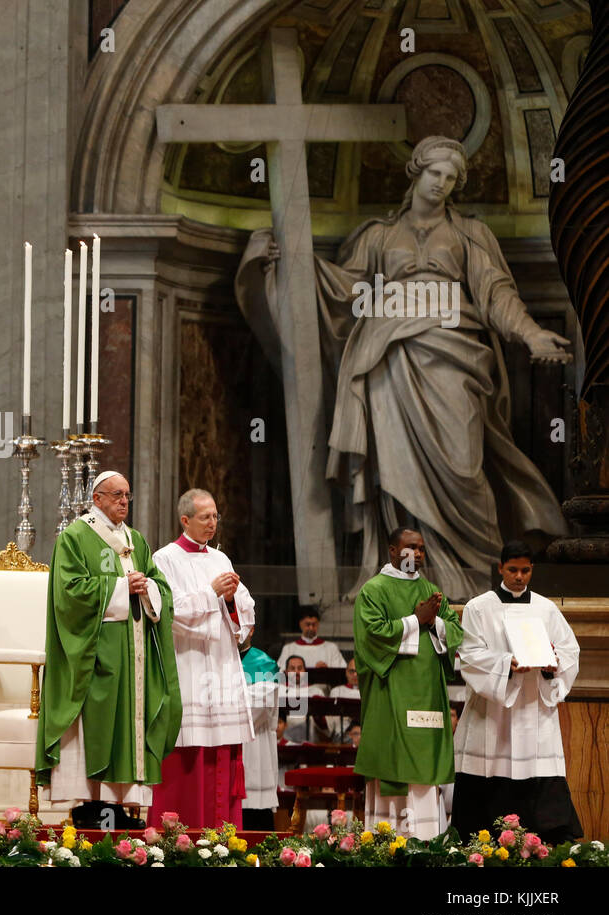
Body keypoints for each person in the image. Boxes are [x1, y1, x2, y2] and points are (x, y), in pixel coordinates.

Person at [239, 136, 571, 599]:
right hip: (387, 358)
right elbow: (345, 290)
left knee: (463, 465)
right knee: (392, 472)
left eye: (451, 177)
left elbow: (496, 294)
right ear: (416, 171)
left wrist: (531, 334)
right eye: (435, 172)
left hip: (453, 355)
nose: (442, 183)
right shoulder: (376, 236)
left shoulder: (469, 234)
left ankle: (476, 575)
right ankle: (401, 579)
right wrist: (292, 263)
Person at [37, 471, 179, 830]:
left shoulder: (136, 540)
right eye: (116, 495)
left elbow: (158, 583)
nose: (123, 502)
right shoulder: (75, 536)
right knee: (97, 724)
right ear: (97, 498)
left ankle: (120, 806)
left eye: (128, 496)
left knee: (127, 722)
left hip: (134, 654)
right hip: (96, 651)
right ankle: (92, 803)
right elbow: (68, 593)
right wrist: (118, 587)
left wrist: (148, 588)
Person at [452, 541, 581, 843]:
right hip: (492, 714)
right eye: (513, 570)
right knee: (486, 784)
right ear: (500, 568)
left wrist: (552, 666)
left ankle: (540, 848)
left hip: (534, 708)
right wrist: (505, 665)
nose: (519, 576)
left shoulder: (546, 609)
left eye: (525, 570)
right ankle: (481, 847)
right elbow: (469, 655)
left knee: (539, 780)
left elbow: (569, 651)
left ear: (531, 570)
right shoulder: (478, 607)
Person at [146, 488, 253, 829]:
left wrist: (233, 601)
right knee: (185, 758)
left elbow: (245, 609)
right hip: (187, 666)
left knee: (220, 754)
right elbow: (167, 611)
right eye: (205, 517)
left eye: (216, 517)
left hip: (220, 667)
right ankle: (174, 834)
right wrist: (212, 594)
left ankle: (223, 839)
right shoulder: (164, 559)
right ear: (185, 519)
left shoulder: (221, 559)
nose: (212, 523)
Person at [353, 526, 463, 840]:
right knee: (394, 762)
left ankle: (429, 839)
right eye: (409, 548)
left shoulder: (431, 590)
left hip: (427, 696)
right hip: (392, 695)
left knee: (425, 771)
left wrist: (434, 620)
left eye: (421, 549)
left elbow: (455, 631)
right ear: (392, 551)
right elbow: (371, 636)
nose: (415, 554)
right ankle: (388, 842)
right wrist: (416, 620)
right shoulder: (373, 590)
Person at [240, 639, 279, 831]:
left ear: (252, 629)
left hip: (255, 745)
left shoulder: (263, 663)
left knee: (255, 818)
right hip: (223, 748)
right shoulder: (218, 659)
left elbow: (257, 710)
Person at [277, 606, 346, 687]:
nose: (311, 628)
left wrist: (327, 671)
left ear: (318, 624)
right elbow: (280, 674)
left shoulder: (331, 648)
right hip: (295, 692)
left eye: (314, 624)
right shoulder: (289, 648)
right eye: (308, 624)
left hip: (323, 694)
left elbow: (342, 673)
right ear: (300, 624)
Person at [327, 657, 361, 744]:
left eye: (358, 671)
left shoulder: (370, 691)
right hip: (342, 734)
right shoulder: (336, 691)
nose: (355, 675)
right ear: (346, 672)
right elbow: (332, 720)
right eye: (351, 671)